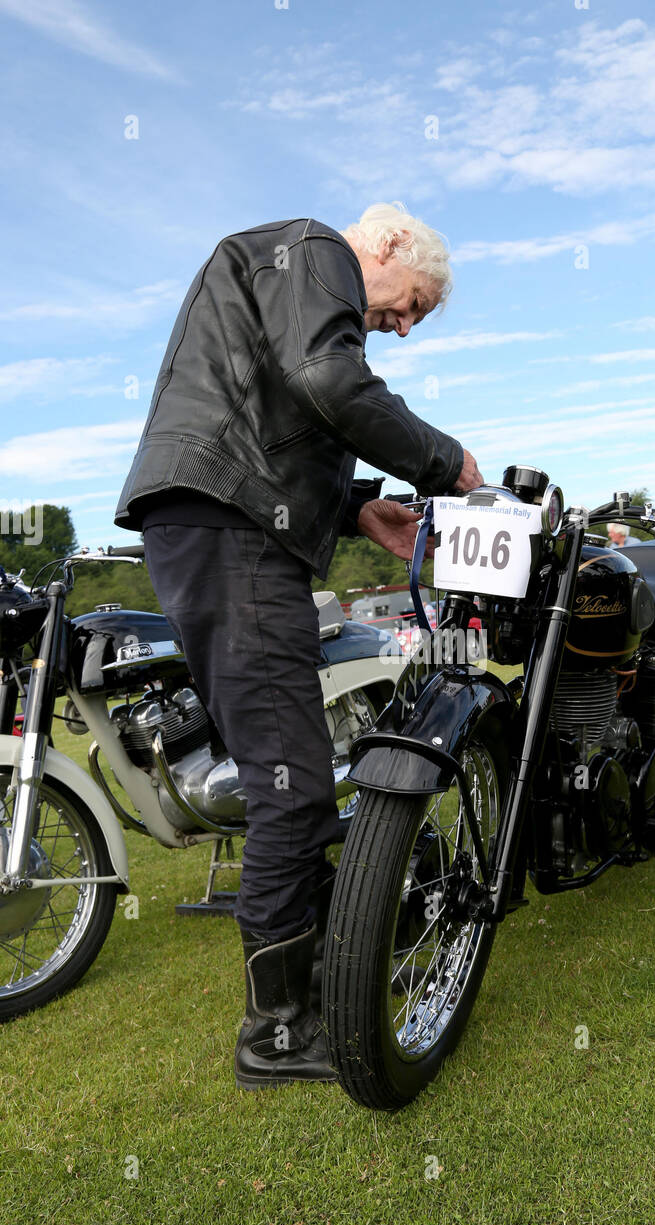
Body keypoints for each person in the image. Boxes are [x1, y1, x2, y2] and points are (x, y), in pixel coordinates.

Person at [114, 203, 483, 1086]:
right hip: (233, 528)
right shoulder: (317, 249)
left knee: (289, 769)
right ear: (389, 246)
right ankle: (276, 1034)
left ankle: (319, 972)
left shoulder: (277, 269)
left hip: (217, 519)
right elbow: (328, 380)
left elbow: (285, 406)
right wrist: (447, 463)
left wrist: (359, 504)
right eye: (413, 306)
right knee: (291, 780)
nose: (399, 325)